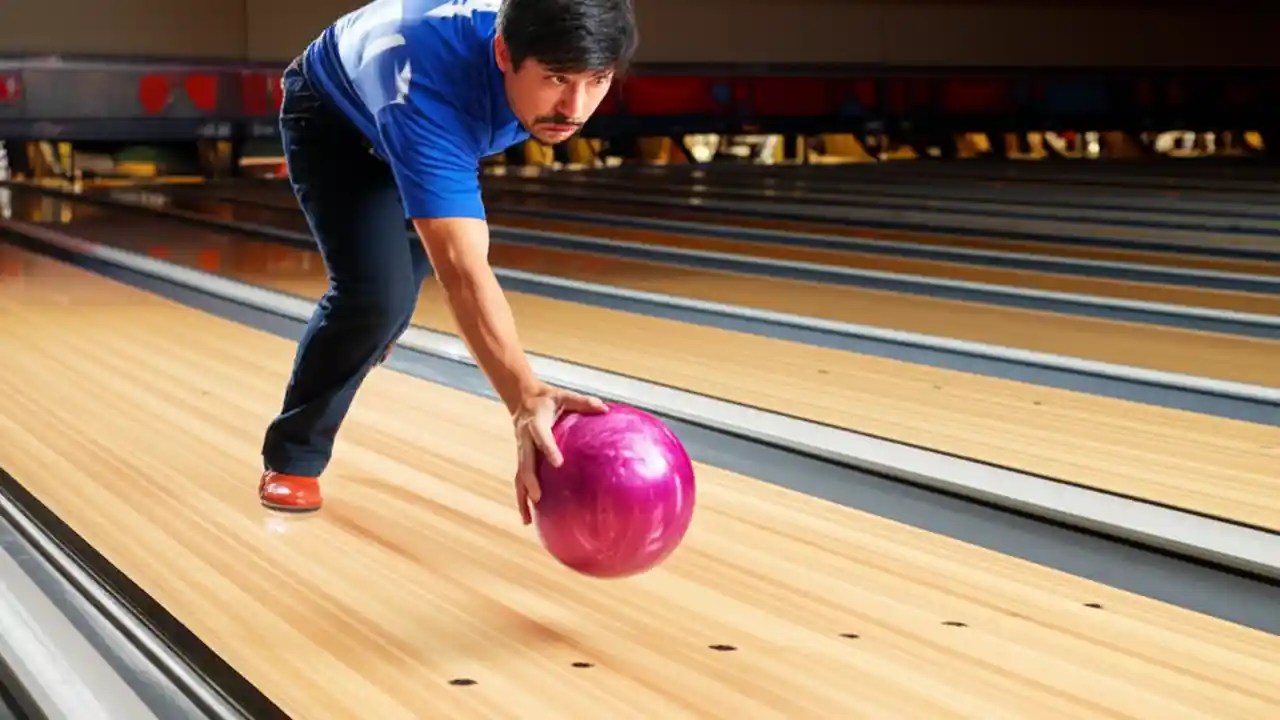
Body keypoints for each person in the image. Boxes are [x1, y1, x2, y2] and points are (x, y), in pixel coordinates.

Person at [257, 0, 638, 524]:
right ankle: (292, 458)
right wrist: (526, 397)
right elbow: (461, 272)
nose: (574, 106)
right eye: (555, 78)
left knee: (391, 298)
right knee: (373, 299)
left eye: (597, 81)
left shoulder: (528, 41)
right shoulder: (431, 95)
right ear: (504, 53)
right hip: (335, 120)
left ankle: (372, 329)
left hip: (416, 101)